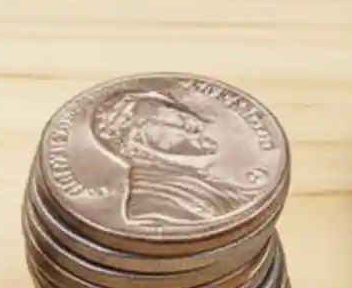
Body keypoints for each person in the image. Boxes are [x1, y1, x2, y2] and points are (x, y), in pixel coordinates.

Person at [90, 89, 261, 226]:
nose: (196, 125)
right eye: (180, 120)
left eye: (189, 116)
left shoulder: (208, 184)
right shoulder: (156, 210)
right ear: (136, 140)